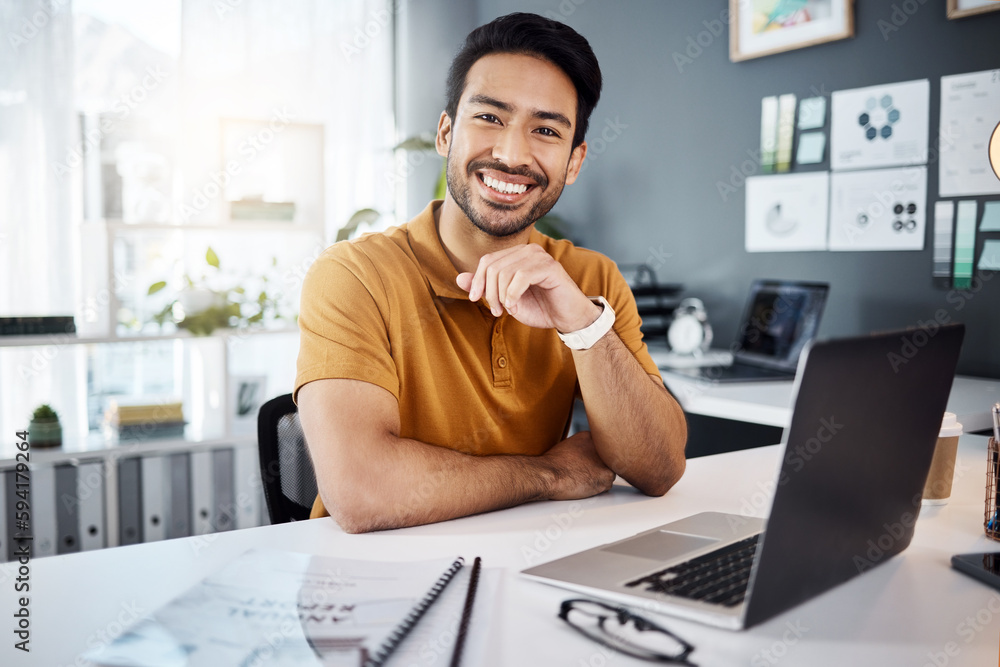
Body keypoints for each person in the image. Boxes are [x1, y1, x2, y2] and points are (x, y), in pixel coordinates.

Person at [295, 12, 687, 534]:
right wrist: (549, 473)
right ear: (445, 133)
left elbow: (659, 467)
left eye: (546, 130)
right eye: (490, 118)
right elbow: (364, 491)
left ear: (573, 161)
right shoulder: (353, 275)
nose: (510, 154)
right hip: (374, 586)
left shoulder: (590, 278)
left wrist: (583, 325)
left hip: (526, 573)